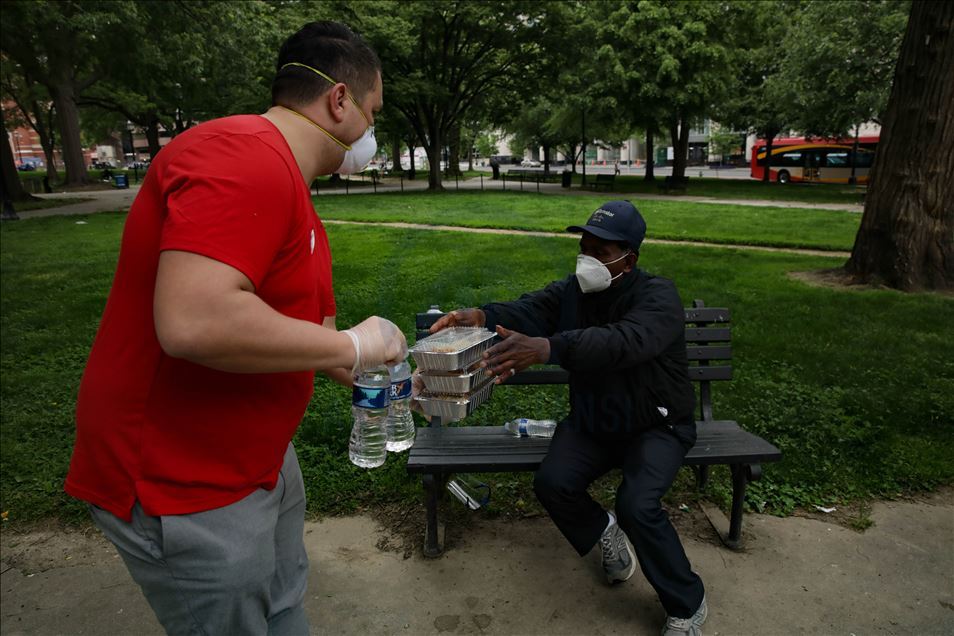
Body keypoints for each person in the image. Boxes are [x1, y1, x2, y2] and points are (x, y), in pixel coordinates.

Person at [64, 21, 406, 635]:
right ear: (339, 100)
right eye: (372, 113)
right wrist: (353, 344)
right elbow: (195, 321)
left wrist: (375, 367)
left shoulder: (292, 191)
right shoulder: (243, 154)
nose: (370, 134)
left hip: (259, 461)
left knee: (282, 610)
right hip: (185, 482)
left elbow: (303, 335)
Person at [429, 200, 707, 636]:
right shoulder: (574, 292)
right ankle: (603, 530)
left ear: (629, 260)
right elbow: (531, 308)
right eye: (583, 248)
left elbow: (623, 341)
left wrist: (549, 348)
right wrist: (483, 316)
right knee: (553, 483)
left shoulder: (658, 297)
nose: (586, 259)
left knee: (637, 505)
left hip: (656, 425)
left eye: (600, 251)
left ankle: (687, 604)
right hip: (596, 421)